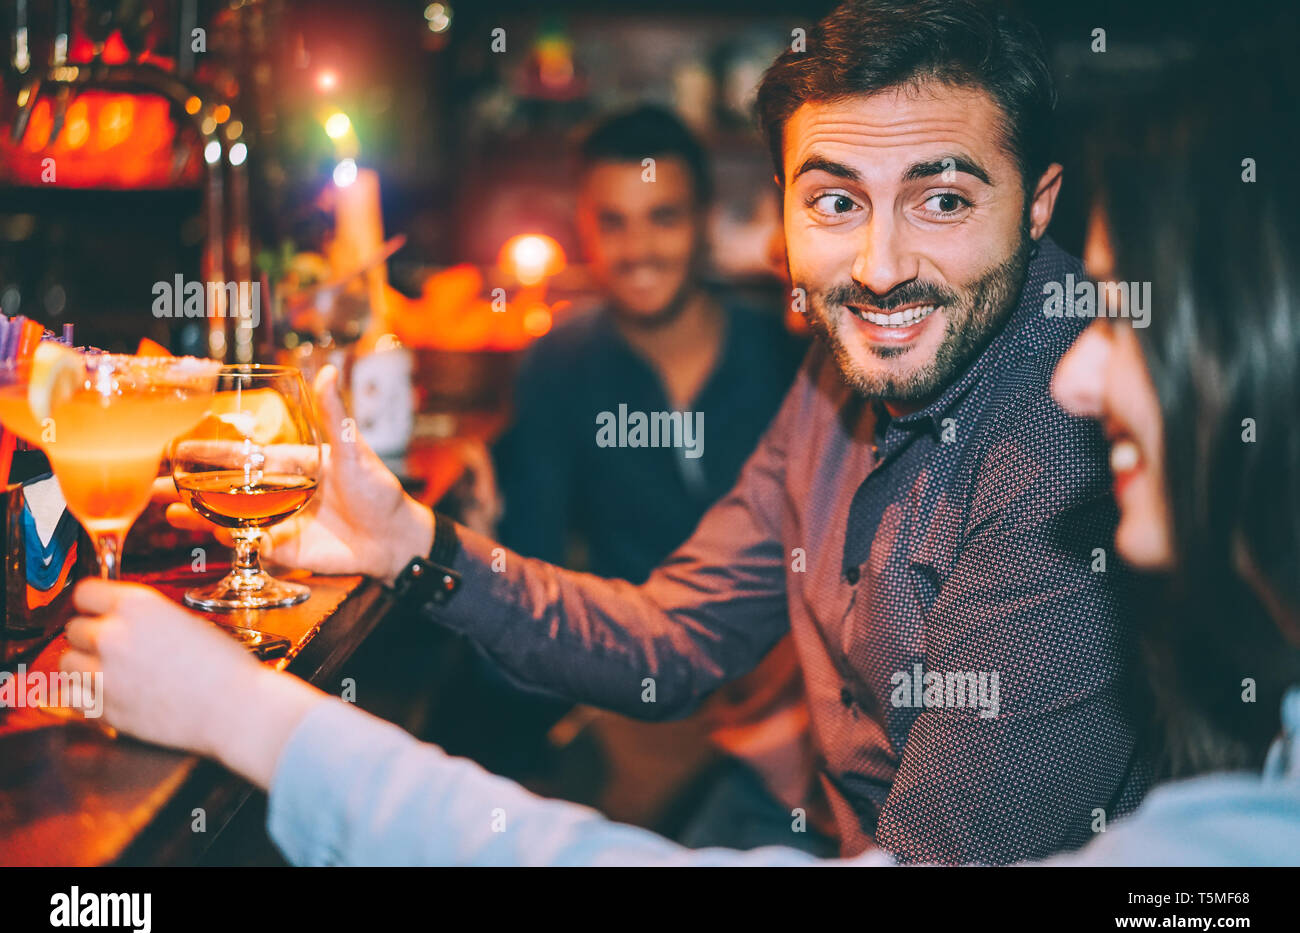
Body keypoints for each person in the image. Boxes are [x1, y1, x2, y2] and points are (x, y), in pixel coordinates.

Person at [75, 0, 1152, 865]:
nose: (877, 265)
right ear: (780, 209)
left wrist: (254, 718)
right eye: (834, 203)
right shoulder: (851, 358)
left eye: (943, 201)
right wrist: (415, 545)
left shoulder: (1066, 449)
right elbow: (674, 632)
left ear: (1038, 201)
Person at [460, 105, 826, 853]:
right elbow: (535, 587)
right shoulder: (558, 366)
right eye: (613, 222)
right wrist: (480, 542)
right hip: (641, 694)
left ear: (702, 222)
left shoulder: (791, 353)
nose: (638, 250)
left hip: (796, 696)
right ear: (583, 229)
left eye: (662, 217)